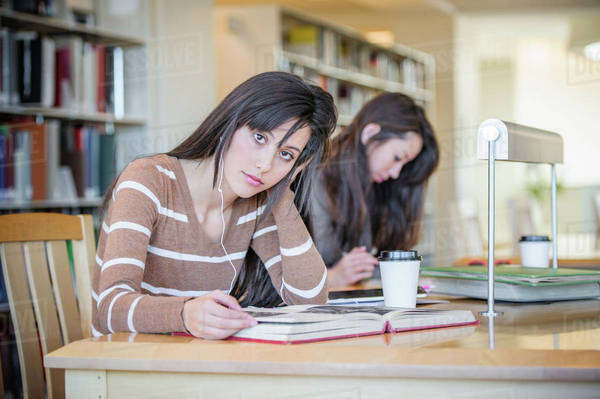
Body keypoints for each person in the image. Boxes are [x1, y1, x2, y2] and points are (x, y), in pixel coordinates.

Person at [92, 72, 337, 339]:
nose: (265, 165)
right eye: (259, 138)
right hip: (129, 364)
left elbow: (310, 301)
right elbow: (109, 309)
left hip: (203, 364)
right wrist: (185, 314)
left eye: (285, 154)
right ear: (230, 122)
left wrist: (284, 192)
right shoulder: (148, 180)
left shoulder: (255, 202)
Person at [309, 93, 439, 289]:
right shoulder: (315, 177)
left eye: (405, 164)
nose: (396, 173)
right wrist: (333, 277)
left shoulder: (369, 186)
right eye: (397, 157)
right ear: (370, 134)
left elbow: (362, 266)